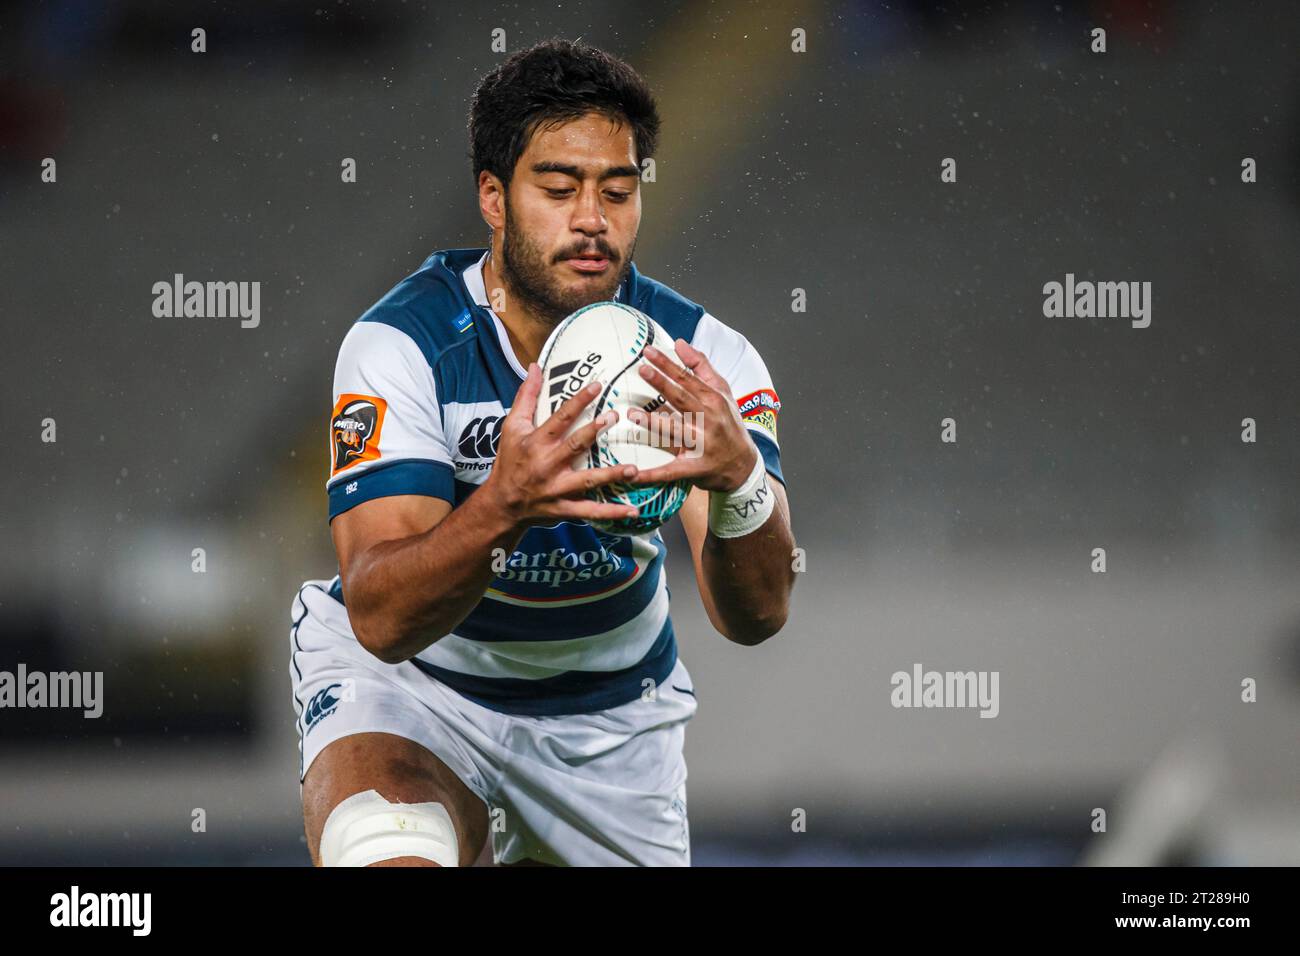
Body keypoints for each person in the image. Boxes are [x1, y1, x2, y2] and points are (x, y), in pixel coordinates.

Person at [290, 38, 795, 867]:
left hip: (610, 720)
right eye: (558, 188)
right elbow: (380, 618)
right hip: (421, 689)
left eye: (619, 191)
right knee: (382, 846)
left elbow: (760, 615)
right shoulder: (403, 346)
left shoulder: (704, 361)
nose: (592, 218)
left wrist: (740, 480)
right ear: (494, 196)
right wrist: (502, 505)